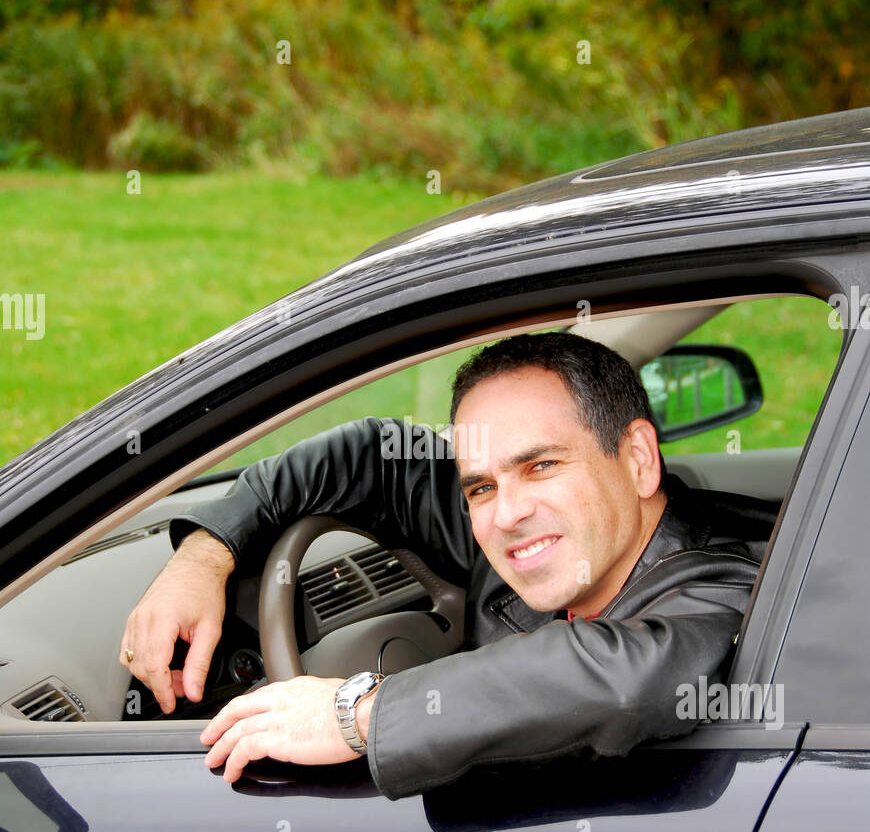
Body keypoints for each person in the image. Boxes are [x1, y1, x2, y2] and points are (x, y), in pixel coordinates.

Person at [120, 332, 777, 797]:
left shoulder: (741, 581)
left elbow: (619, 676)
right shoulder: (520, 534)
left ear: (637, 459)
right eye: (481, 485)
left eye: (541, 465)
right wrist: (206, 556)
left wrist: (356, 713)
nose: (509, 512)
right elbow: (370, 456)